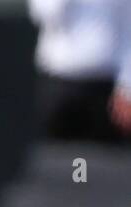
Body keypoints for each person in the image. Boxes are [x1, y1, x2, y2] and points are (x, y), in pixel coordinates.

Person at [30, 0, 131, 141]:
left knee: (104, 157)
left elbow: (128, 28)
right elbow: (46, 13)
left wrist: (127, 87)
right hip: (60, 84)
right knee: (67, 158)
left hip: (109, 86)